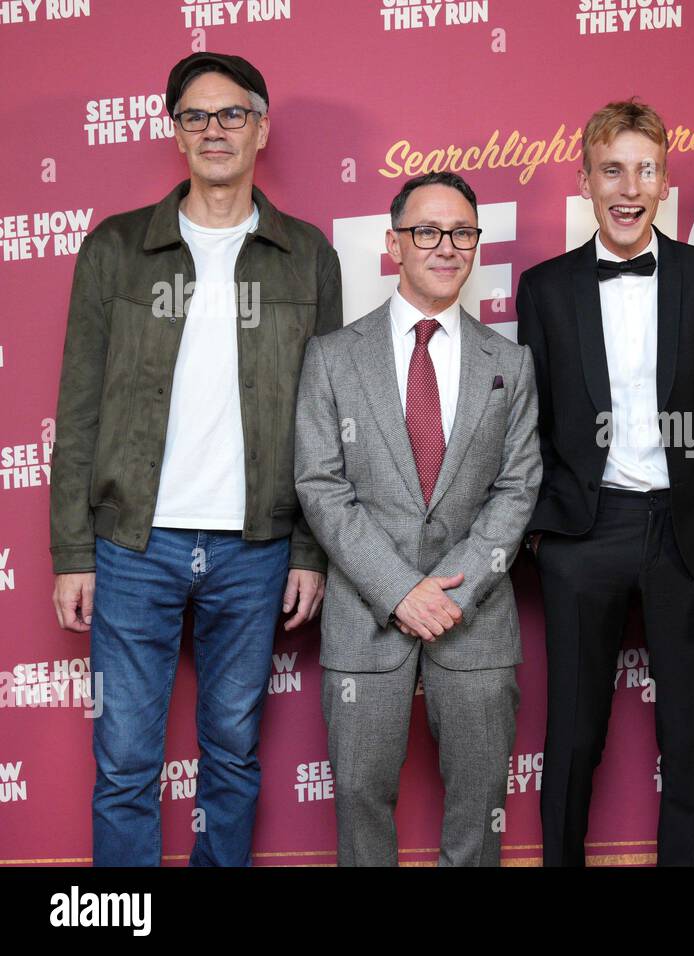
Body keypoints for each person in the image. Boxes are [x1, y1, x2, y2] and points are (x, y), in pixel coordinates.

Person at [49, 52, 341, 866]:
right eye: (196, 116)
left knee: (233, 760)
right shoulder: (115, 248)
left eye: (232, 114)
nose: (215, 130)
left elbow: (324, 419)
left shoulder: (307, 256)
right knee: (126, 767)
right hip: (134, 546)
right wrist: (74, 551)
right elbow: (79, 409)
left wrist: (310, 550)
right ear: (175, 133)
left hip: (256, 548)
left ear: (262, 128)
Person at [516, 99, 694, 866]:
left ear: (665, 181)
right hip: (583, 535)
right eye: (612, 169)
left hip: (686, 537)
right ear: (585, 180)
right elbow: (531, 422)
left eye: (644, 170)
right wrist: (543, 536)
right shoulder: (546, 288)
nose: (628, 187)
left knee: (686, 737)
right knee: (574, 732)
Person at [295, 171, 540, 867]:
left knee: (479, 807)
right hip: (366, 619)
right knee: (361, 805)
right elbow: (321, 485)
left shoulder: (510, 364)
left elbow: (518, 487)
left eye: (463, 232)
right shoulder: (333, 357)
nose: (446, 246)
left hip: (478, 619)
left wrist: (451, 595)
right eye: (427, 231)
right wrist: (400, 590)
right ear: (393, 244)